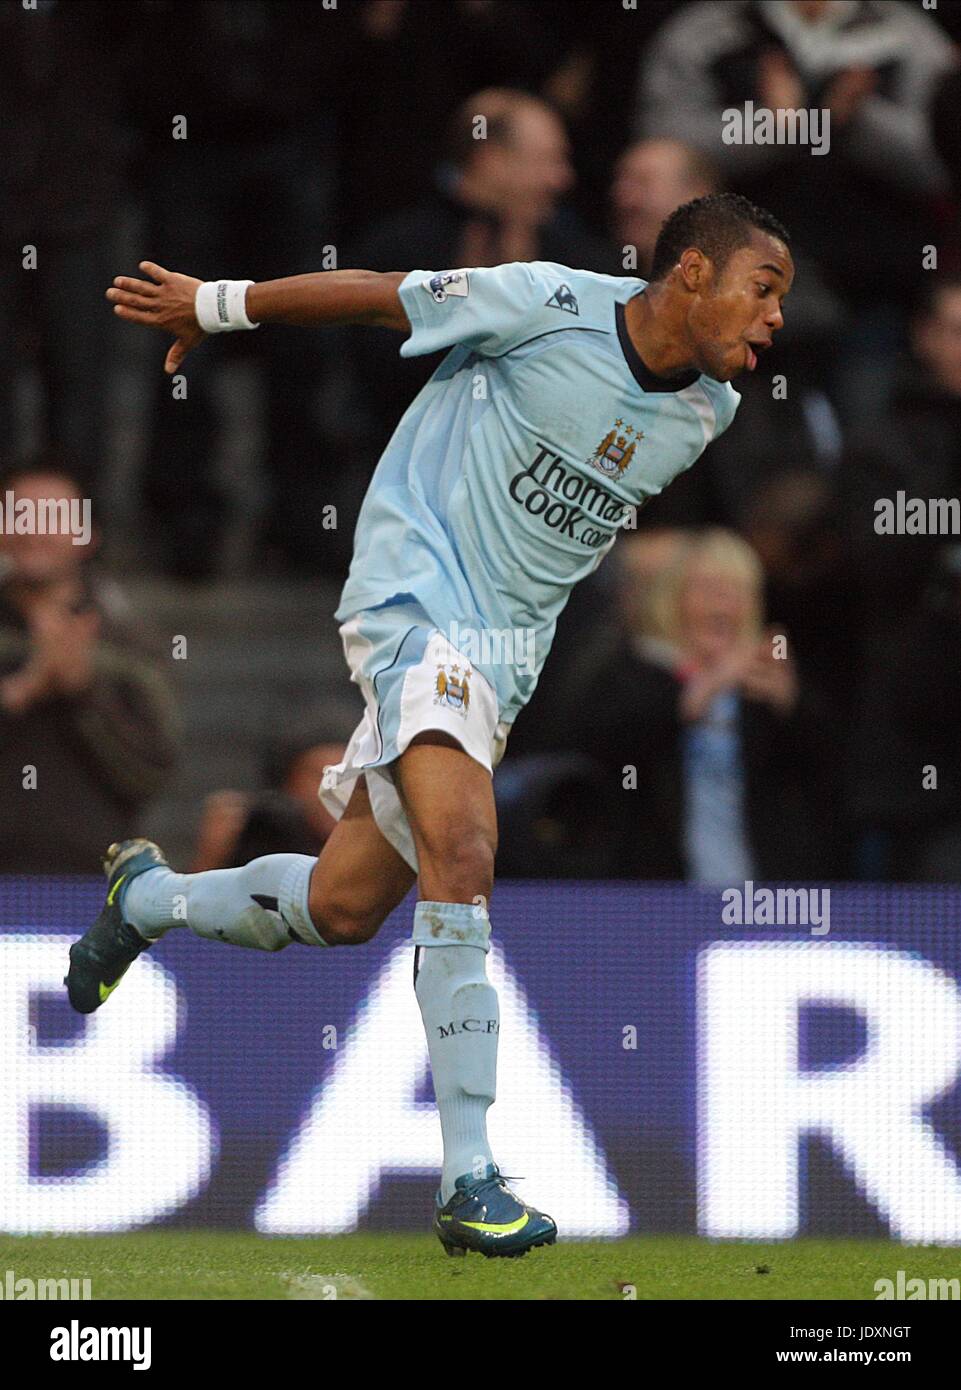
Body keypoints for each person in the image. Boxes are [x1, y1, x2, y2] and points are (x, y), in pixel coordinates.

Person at [68, 192, 793, 1257]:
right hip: (414, 592)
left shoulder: (707, 412)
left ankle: (151, 897)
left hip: (500, 661)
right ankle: (469, 1177)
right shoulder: (547, 302)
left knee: (340, 905)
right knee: (466, 850)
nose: (776, 318)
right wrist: (219, 305)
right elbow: (380, 300)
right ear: (689, 272)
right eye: (762, 289)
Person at [0, 464, 179, 871]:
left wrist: (83, 690)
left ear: (88, 534)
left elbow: (152, 773)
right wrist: (23, 691)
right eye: (18, 514)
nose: (34, 531)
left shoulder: (130, 643)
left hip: (90, 885)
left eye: (54, 517)